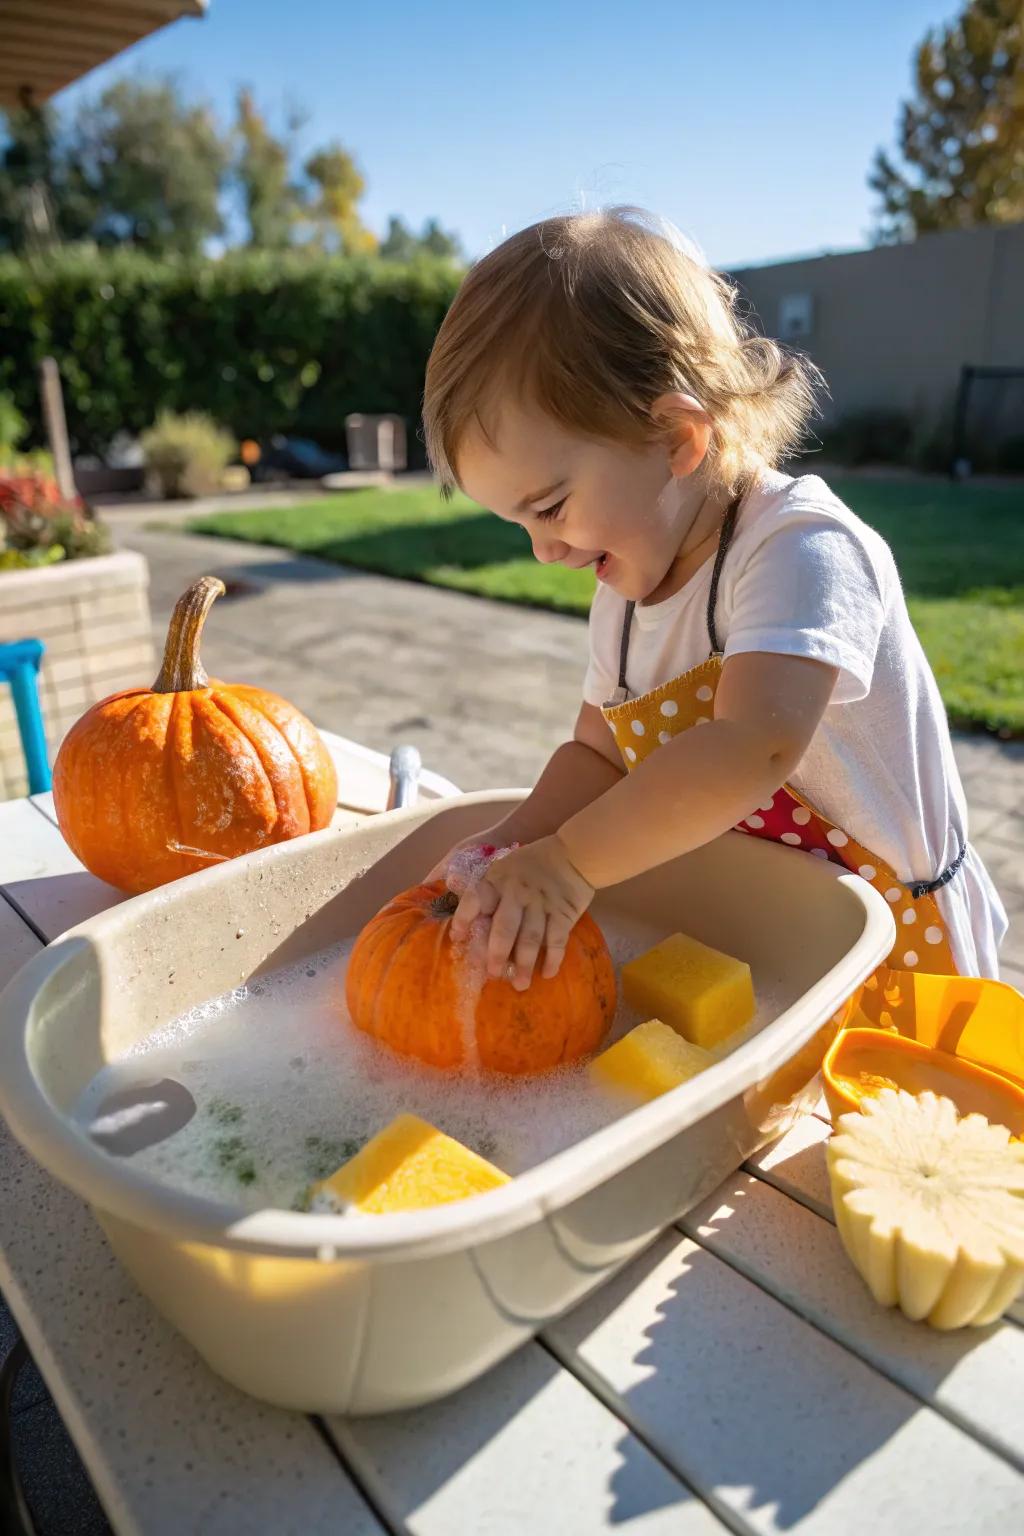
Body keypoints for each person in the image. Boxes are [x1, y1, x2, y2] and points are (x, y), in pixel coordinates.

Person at [421, 207, 1007, 995]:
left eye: (550, 507)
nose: (543, 551)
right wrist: (505, 846)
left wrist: (569, 864)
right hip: (769, 929)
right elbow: (598, 759)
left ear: (675, 438)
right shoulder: (624, 591)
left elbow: (751, 748)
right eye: (519, 523)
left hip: (895, 941)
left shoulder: (799, 548)